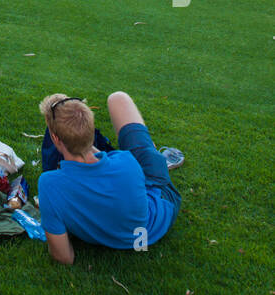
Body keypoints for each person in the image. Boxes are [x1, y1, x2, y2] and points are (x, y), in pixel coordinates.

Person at [36, 91, 182, 267]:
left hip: (137, 199)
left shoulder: (49, 184)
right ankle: (154, 155)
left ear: (54, 138)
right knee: (118, 99)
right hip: (153, 225)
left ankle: (153, 155)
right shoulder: (126, 161)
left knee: (142, 162)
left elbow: (64, 257)